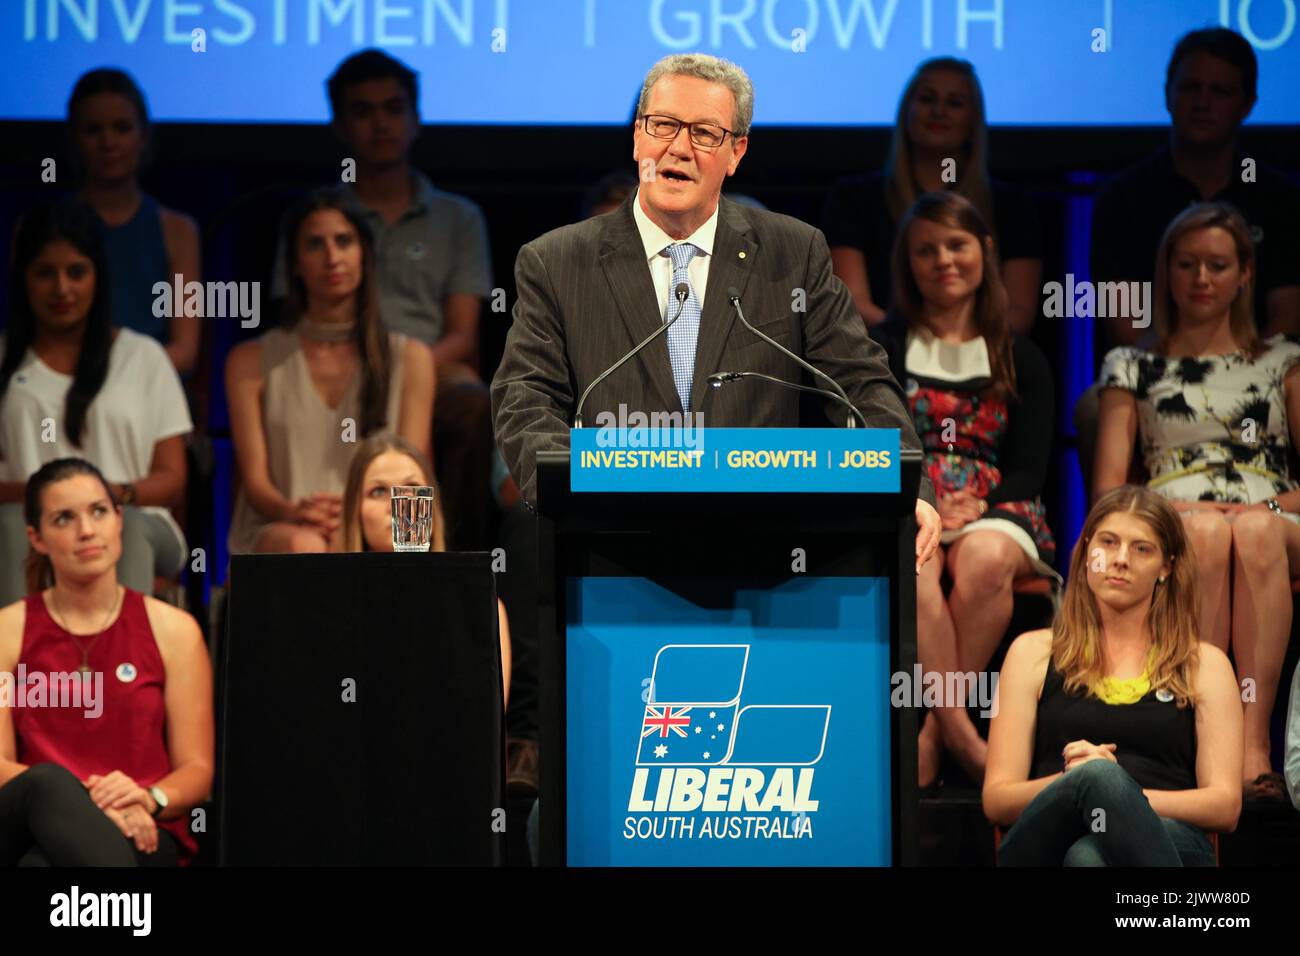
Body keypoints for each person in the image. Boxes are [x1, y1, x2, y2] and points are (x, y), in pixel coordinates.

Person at [491, 53, 941, 568]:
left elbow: (859, 383)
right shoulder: (556, 261)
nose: (677, 147)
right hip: (607, 543)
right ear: (638, 136)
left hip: (763, 547)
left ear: (736, 152)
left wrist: (910, 484)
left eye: (704, 133)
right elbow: (525, 397)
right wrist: (574, 492)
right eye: (662, 126)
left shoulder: (792, 254)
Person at [1094, 202, 1300, 802]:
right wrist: (1170, 519)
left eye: (1217, 265)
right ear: (1167, 273)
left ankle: (1252, 744)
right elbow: (1110, 488)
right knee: (1206, 533)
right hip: (1172, 518)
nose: (1202, 279)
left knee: (1253, 534)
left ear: (1245, 275)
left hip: (1274, 515)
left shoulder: (1283, 359)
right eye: (1187, 265)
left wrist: (1260, 510)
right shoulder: (1133, 363)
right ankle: (1199, 731)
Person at [271, 49, 495, 551]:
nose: (380, 124)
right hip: (330, 358)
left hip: (426, 368)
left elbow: (462, 336)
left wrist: (396, 367)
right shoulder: (318, 218)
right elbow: (291, 316)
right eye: (363, 111)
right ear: (339, 125)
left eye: (393, 109)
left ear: (416, 119)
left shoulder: (457, 217)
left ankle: (444, 552)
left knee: (470, 402)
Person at [870, 192, 1057, 786]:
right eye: (926, 250)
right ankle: (960, 731)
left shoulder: (1021, 354)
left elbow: (1032, 465)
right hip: (911, 495)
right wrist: (926, 498)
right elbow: (871, 439)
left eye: (957, 246)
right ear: (907, 264)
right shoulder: (883, 348)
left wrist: (978, 504)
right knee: (916, 559)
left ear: (985, 253)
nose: (943, 260)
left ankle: (929, 729)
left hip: (998, 503)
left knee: (984, 558)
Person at [984, 485, 1241, 866]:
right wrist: (1083, 785)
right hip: (1049, 835)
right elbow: (998, 799)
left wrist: (1115, 790)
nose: (1121, 559)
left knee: (1088, 856)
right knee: (1095, 787)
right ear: (1087, 551)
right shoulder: (1032, 653)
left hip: (1168, 834)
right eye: (1108, 542)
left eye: (1142, 549)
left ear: (1166, 567)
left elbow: (1225, 805)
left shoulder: (1204, 664)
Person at [0, 458, 213, 866]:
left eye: (99, 511)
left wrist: (150, 799)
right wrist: (84, 804)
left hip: (143, 824)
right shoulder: (7, 631)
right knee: (46, 782)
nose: (86, 530)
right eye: (64, 518)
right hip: (30, 822)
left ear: (119, 520)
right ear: (37, 538)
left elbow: (197, 769)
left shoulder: (175, 630)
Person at [0, 200, 191, 606]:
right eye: (45, 273)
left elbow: (172, 477)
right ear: (23, 279)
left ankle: (127, 667)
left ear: (97, 276)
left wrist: (106, 498)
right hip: (25, 518)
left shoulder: (144, 357)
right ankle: (18, 665)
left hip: (131, 513)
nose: (61, 289)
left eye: (76, 272)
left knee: (127, 531)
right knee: (12, 527)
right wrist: (47, 500)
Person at [226, 188, 435, 556]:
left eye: (344, 241)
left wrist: (356, 515)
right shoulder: (249, 361)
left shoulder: (412, 358)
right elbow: (256, 483)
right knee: (304, 545)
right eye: (314, 245)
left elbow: (410, 479)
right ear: (293, 263)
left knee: (373, 538)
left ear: (364, 255)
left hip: (381, 526)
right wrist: (298, 512)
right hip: (282, 524)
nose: (332, 257)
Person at [1092, 28, 1300, 347]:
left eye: (1220, 91)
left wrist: (1238, 375)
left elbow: (1288, 315)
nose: (1202, 103)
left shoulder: (1279, 198)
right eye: (1190, 88)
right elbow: (1124, 323)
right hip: (1150, 377)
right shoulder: (1122, 198)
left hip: (1258, 378)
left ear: (1247, 105)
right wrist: (1185, 375)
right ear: (1167, 95)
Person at [824, 57, 1042, 333]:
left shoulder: (1012, 206)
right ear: (907, 110)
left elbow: (1019, 311)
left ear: (973, 119)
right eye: (927, 99)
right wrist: (913, 347)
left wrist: (959, 348)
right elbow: (851, 302)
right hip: (884, 358)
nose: (939, 111)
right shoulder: (854, 198)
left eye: (954, 103)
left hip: (984, 358)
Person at [339, 433, 510, 701]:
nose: (398, 504)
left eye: (412, 489)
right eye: (379, 491)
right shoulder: (332, 604)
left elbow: (485, 719)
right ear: (355, 510)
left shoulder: (480, 607)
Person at [66, 68, 201, 375]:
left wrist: (117, 379)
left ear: (143, 136)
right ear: (75, 138)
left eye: (122, 128)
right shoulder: (43, 229)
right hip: (66, 388)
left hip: (148, 393)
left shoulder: (178, 232)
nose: (108, 142)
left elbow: (185, 351)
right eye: (93, 130)